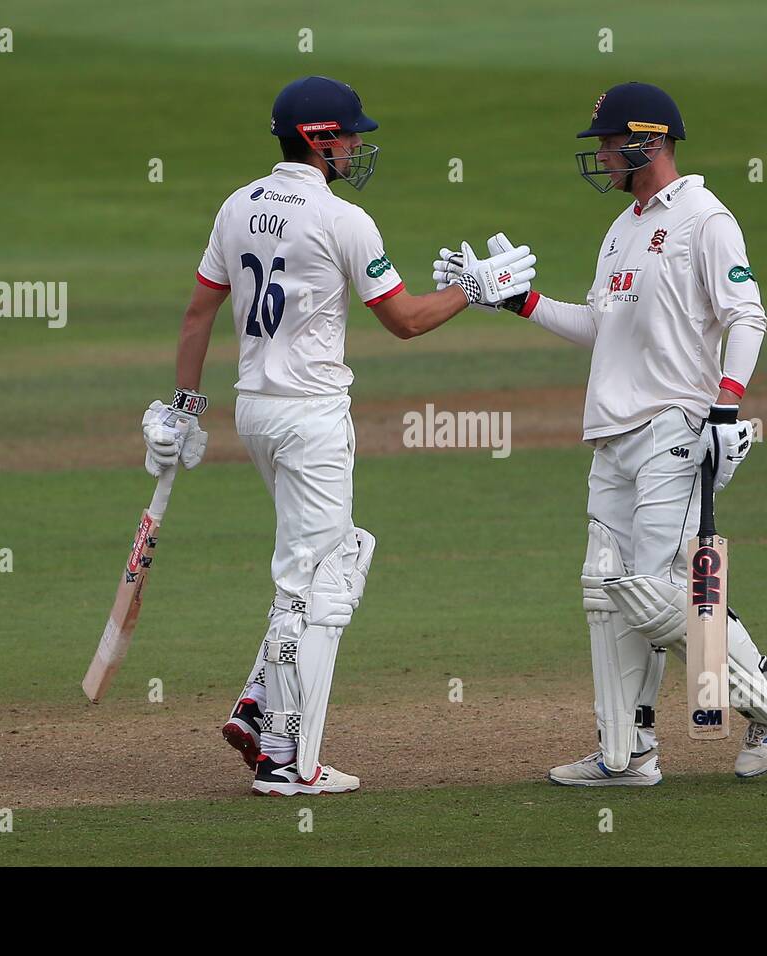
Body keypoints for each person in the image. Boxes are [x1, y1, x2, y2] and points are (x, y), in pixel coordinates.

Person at [142, 75, 535, 796]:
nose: (358, 145)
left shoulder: (238, 206)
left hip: (255, 411)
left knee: (341, 555)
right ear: (319, 139)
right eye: (349, 134)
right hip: (312, 417)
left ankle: (260, 709)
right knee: (314, 589)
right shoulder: (342, 218)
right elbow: (406, 319)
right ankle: (288, 762)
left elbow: (198, 314)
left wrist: (184, 409)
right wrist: (476, 290)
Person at [435, 82, 767, 784]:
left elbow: (747, 316)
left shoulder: (706, 218)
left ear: (649, 142)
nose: (601, 156)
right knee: (605, 588)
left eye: (608, 144)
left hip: (676, 423)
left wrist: (726, 409)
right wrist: (516, 300)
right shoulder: (624, 227)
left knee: (648, 587)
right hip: (612, 433)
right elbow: (600, 328)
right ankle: (626, 752)